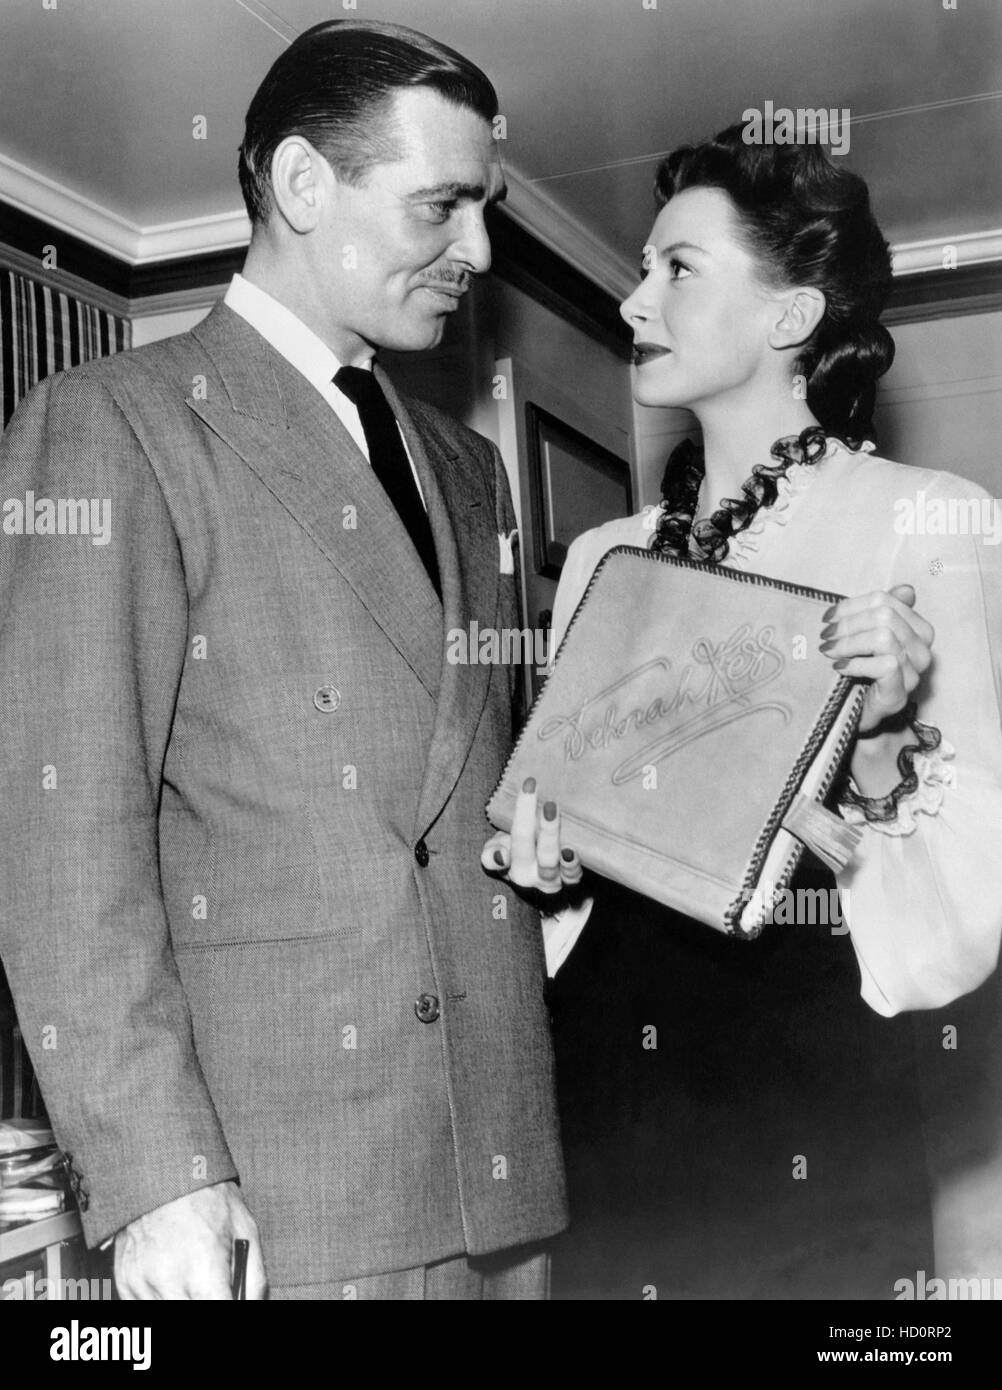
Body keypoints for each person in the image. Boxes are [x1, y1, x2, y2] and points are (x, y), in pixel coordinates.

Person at [0, 20, 566, 1300]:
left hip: (508, 1181)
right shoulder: (112, 429)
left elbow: (468, 786)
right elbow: (59, 840)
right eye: (444, 205)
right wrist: (155, 1179)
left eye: (485, 210)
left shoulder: (469, 470)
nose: (478, 251)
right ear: (305, 185)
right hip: (286, 1202)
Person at [484, 124, 1002, 1299]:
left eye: (677, 270)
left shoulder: (930, 516)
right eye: (642, 269)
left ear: (789, 316)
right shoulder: (607, 556)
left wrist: (869, 742)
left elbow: (977, 872)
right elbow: (570, 835)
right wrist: (545, 868)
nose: (631, 303)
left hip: (807, 1074)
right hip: (611, 1075)